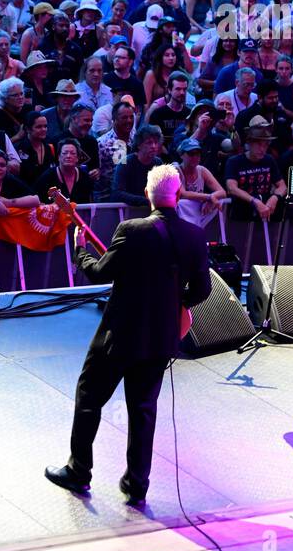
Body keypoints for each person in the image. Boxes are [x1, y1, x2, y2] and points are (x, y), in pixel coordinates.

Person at [45, 164, 212, 503]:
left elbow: (99, 272)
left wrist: (79, 250)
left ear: (149, 194)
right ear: (178, 195)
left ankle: (79, 471)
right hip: (161, 337)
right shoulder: (194, 235)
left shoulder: (131, 229)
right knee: (143, 408)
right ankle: (137, 484)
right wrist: (175, 304)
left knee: (89, 396)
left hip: (119, 335)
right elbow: (202, 289)